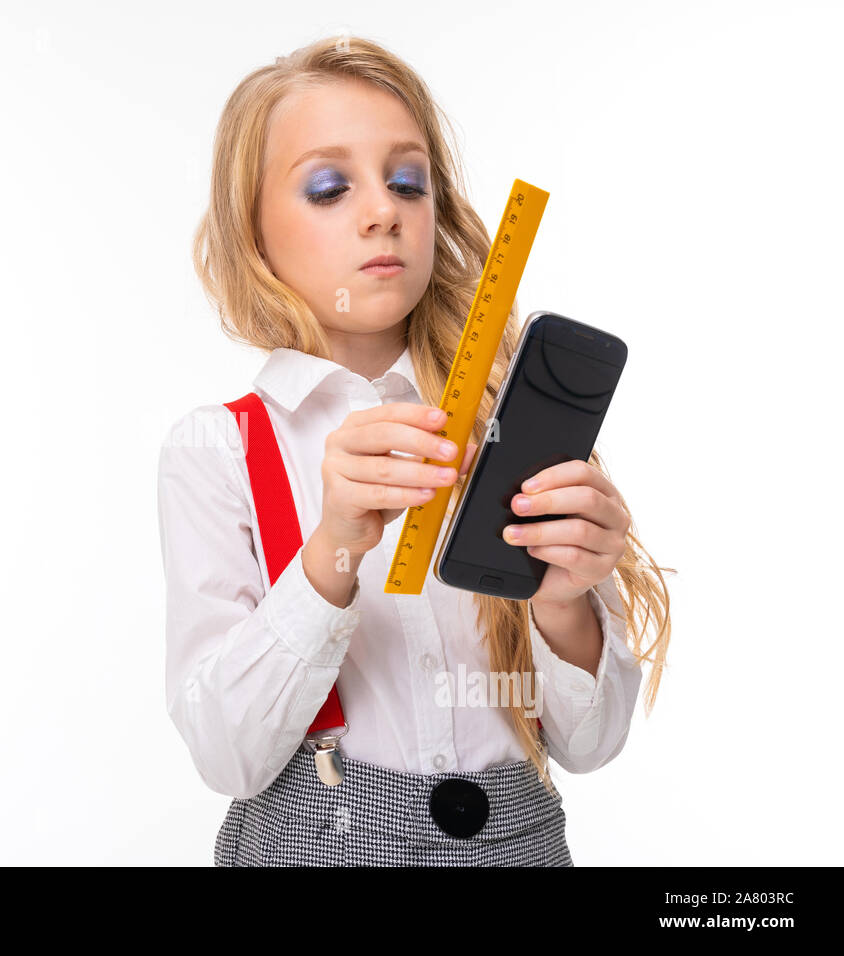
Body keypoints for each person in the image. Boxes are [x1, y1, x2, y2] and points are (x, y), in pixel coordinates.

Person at [156, 34, 673, 866]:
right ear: (253, 234)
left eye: (408, 181)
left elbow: (589, 745)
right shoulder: (218, 449)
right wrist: (331, 552)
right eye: (328, 187)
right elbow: (228, 756)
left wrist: (566, 598)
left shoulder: (509, 424)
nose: (383, 210)